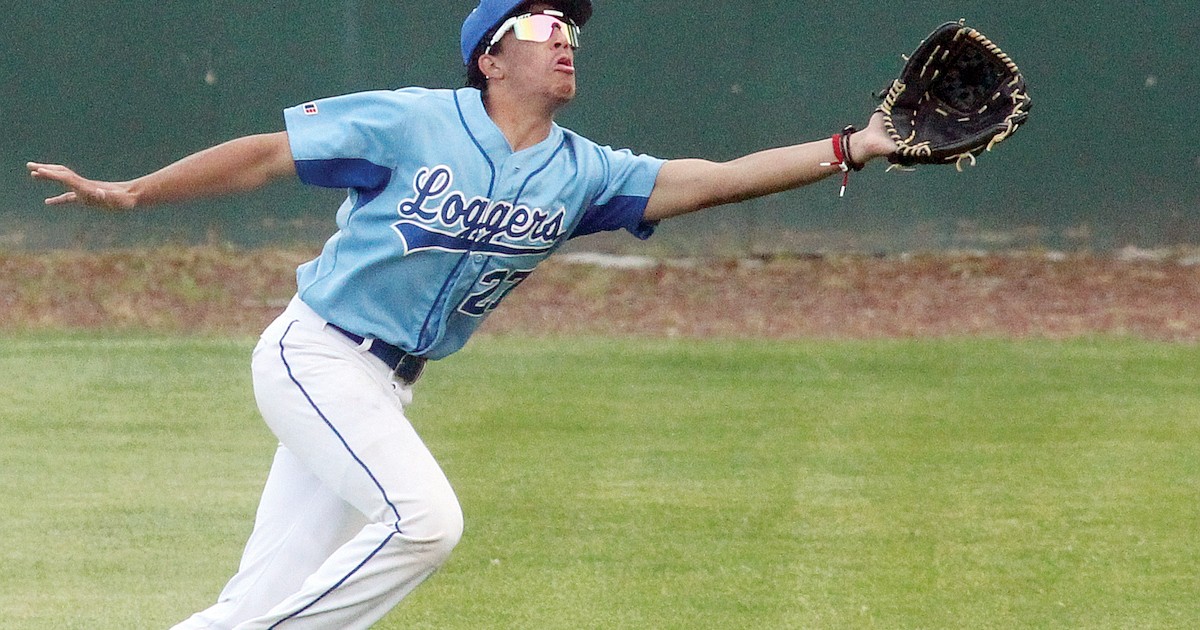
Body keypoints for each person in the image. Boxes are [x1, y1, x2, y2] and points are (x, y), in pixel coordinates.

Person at [27, 1, 897, 627]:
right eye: (543, 27)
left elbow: (716, 178)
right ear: (490, 57)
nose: (565, 40)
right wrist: (134, 193)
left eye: (573, 30)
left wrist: (850, 147)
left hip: (385, 385)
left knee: (260, 593)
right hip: (317, 354)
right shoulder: (414, 122)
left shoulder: (584, 170)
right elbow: (265, 156)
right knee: (426, 521)